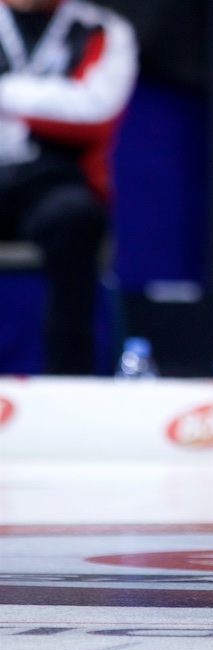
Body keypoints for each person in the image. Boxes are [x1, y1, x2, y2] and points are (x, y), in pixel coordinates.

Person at [0, 0, 136, 375]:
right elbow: (74, 103)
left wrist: (7, 93)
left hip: (53, 182)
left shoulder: (102, 31)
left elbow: (96, 111)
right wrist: (51, 99)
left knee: (77, 218)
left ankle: (68, 382)